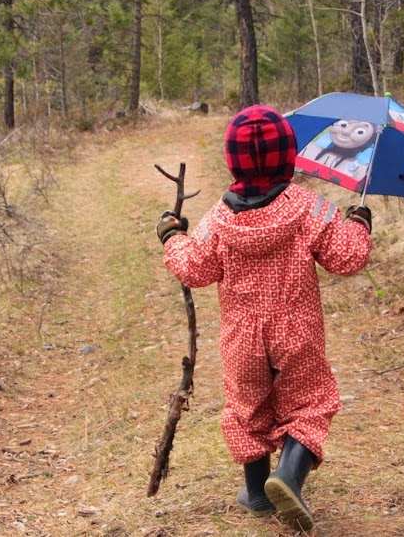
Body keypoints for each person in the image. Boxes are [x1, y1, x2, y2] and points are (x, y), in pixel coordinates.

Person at [156, 105, 373, 531]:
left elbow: (195, 268)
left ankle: (257, 493)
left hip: (242, 339)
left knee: (247, 409)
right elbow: (348, 257)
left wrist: (172, 236)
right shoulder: (310, 208)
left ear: (232, 160)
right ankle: (289, 476)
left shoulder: (219, 218)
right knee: (310, 403)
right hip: (297, 332)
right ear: (289, 155)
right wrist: (360, 224)